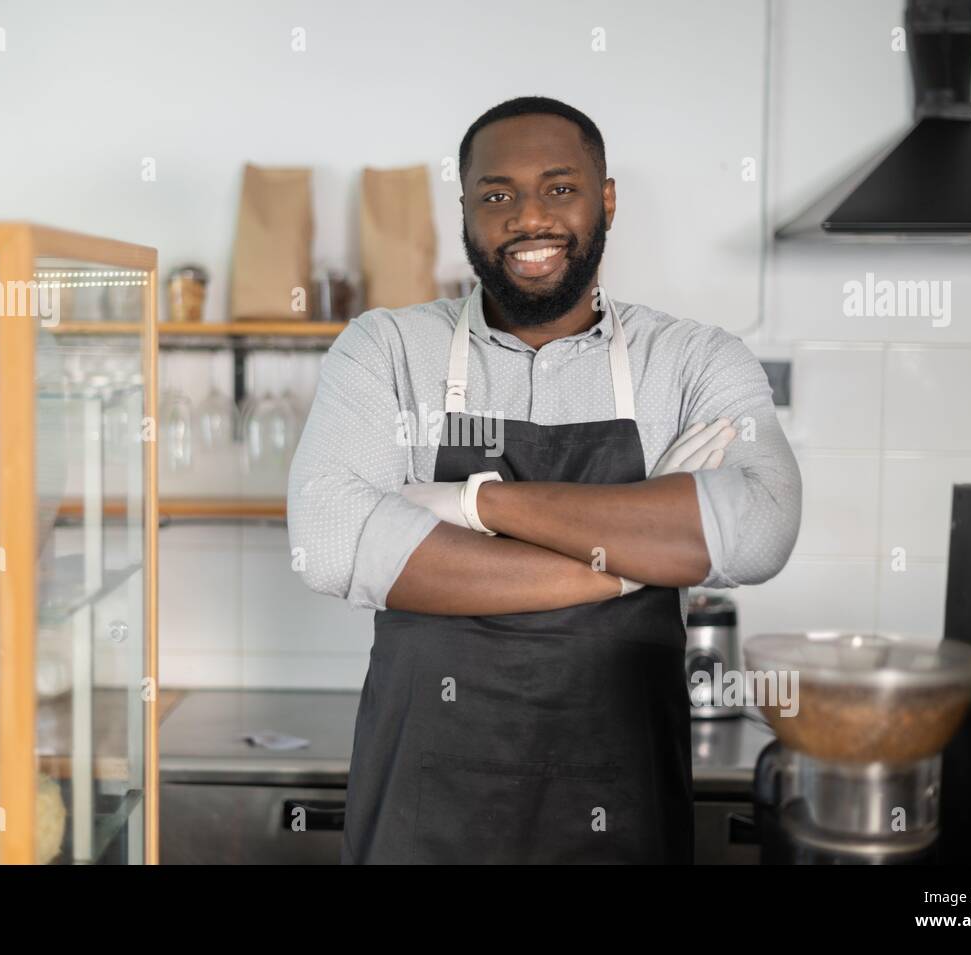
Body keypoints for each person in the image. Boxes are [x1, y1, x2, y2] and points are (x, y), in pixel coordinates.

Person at [287, 95, 802, 864]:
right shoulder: (387, 349)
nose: (529, 217)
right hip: (427, 813)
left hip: (620, 807)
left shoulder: (694, 361)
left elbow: (760, 529)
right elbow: (331, 544)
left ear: (607, 199)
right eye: (497, 195)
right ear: (465, 211)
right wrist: (632, 560)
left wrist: (473, 503)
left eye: (559, 187)